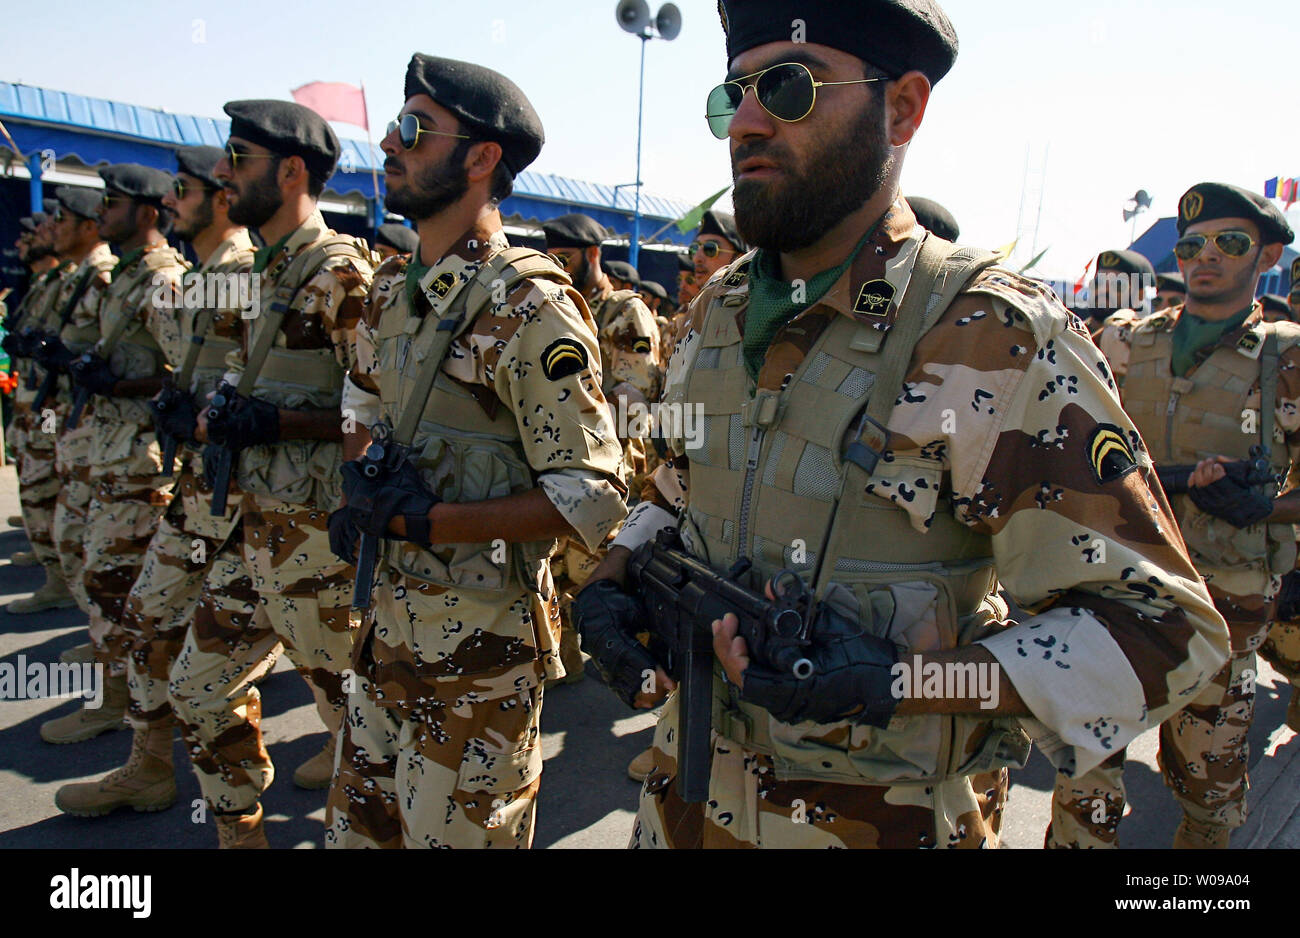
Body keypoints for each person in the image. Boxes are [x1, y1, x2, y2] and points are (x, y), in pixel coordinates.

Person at [575, 0, 1228, 850]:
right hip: (682, 805)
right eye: (731, 95)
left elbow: (1164, 631)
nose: (744, 122)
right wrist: (613, 574)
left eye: (789, 88)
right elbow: (674, 486)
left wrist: (905, 682)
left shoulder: (992, 334)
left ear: (904, 107)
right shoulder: (717, 314)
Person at [323, 53, 626, 848]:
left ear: (482, 158)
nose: (392, 144)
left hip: (480, 660)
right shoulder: (391, 290)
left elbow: (589, 494)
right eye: (395, 127)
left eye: (415, 130)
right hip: (384, 629)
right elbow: (358, 399)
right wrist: (363, 483)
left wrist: (429, 521)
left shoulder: (532, 307)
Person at [1049, 182, 1300, 848]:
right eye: (1191, 245)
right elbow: (1067, 447)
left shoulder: (1288, 356)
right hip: (1116, 593)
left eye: (1231, 243)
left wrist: (1267, 507)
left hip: (1223, 608)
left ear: (1268, 254)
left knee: (1207, 790)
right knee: (1085, 781)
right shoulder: (1126, 341)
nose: (1205, 258)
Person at [167, 99, 374, 847]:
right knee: (194, 688)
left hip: (318, 547)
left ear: (291, 172)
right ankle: (241, 834)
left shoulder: (344, 273)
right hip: (252, 531)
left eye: (238, 159)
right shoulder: (260, 272)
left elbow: (379, 412)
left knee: (365, 726)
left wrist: (282, 425)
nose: (223, 173)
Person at [52, 145, 272, 817]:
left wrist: (167, 398)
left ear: (221, 197)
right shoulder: (206, 275)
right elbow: (191, 371)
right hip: (202, 493)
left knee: (331, 662)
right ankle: (149, 766)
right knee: (145, 619)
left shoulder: (238, 275)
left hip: (261, 501)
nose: (173, 200)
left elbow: (269, 385)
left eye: (184, 187)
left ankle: (335, 749)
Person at [39, 165, 190, 747]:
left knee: (114, 580)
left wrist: (118, 384)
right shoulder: (128, 276)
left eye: (114, 202)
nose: (103, 211)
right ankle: (122, 688)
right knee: (100, 571)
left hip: (140, 459)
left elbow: (183, 376)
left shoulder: (160, 279)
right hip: (109, 450)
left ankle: (117, 703)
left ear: (147, 213)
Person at [541, 212, 660, 687]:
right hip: (553, 465)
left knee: (602, 574)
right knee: (554, 573)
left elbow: (637, 398)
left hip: (604, 468)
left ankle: (646, 674)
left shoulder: (623, 312)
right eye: (551, 256)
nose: (557, 264)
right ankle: (565, 664)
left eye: (565, 256)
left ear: (592, 254)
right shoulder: (549, 306)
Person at [43, 188, 117, 653]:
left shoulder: (106, 277)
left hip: (119, 441)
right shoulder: (85, 277)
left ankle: (114, 654)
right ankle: (108, 646)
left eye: (63, 219)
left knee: (100, 548)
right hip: (91, 429)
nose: (53, 228)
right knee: (80, 539)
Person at [2, 210, 76, 600]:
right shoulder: (45, 283)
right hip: (36, 397)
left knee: (46, 474)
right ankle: (45, 553)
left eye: (37, 234)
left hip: (53, 405)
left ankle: (56, 575)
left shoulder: (69, 282)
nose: (22, 244)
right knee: (36, 471)